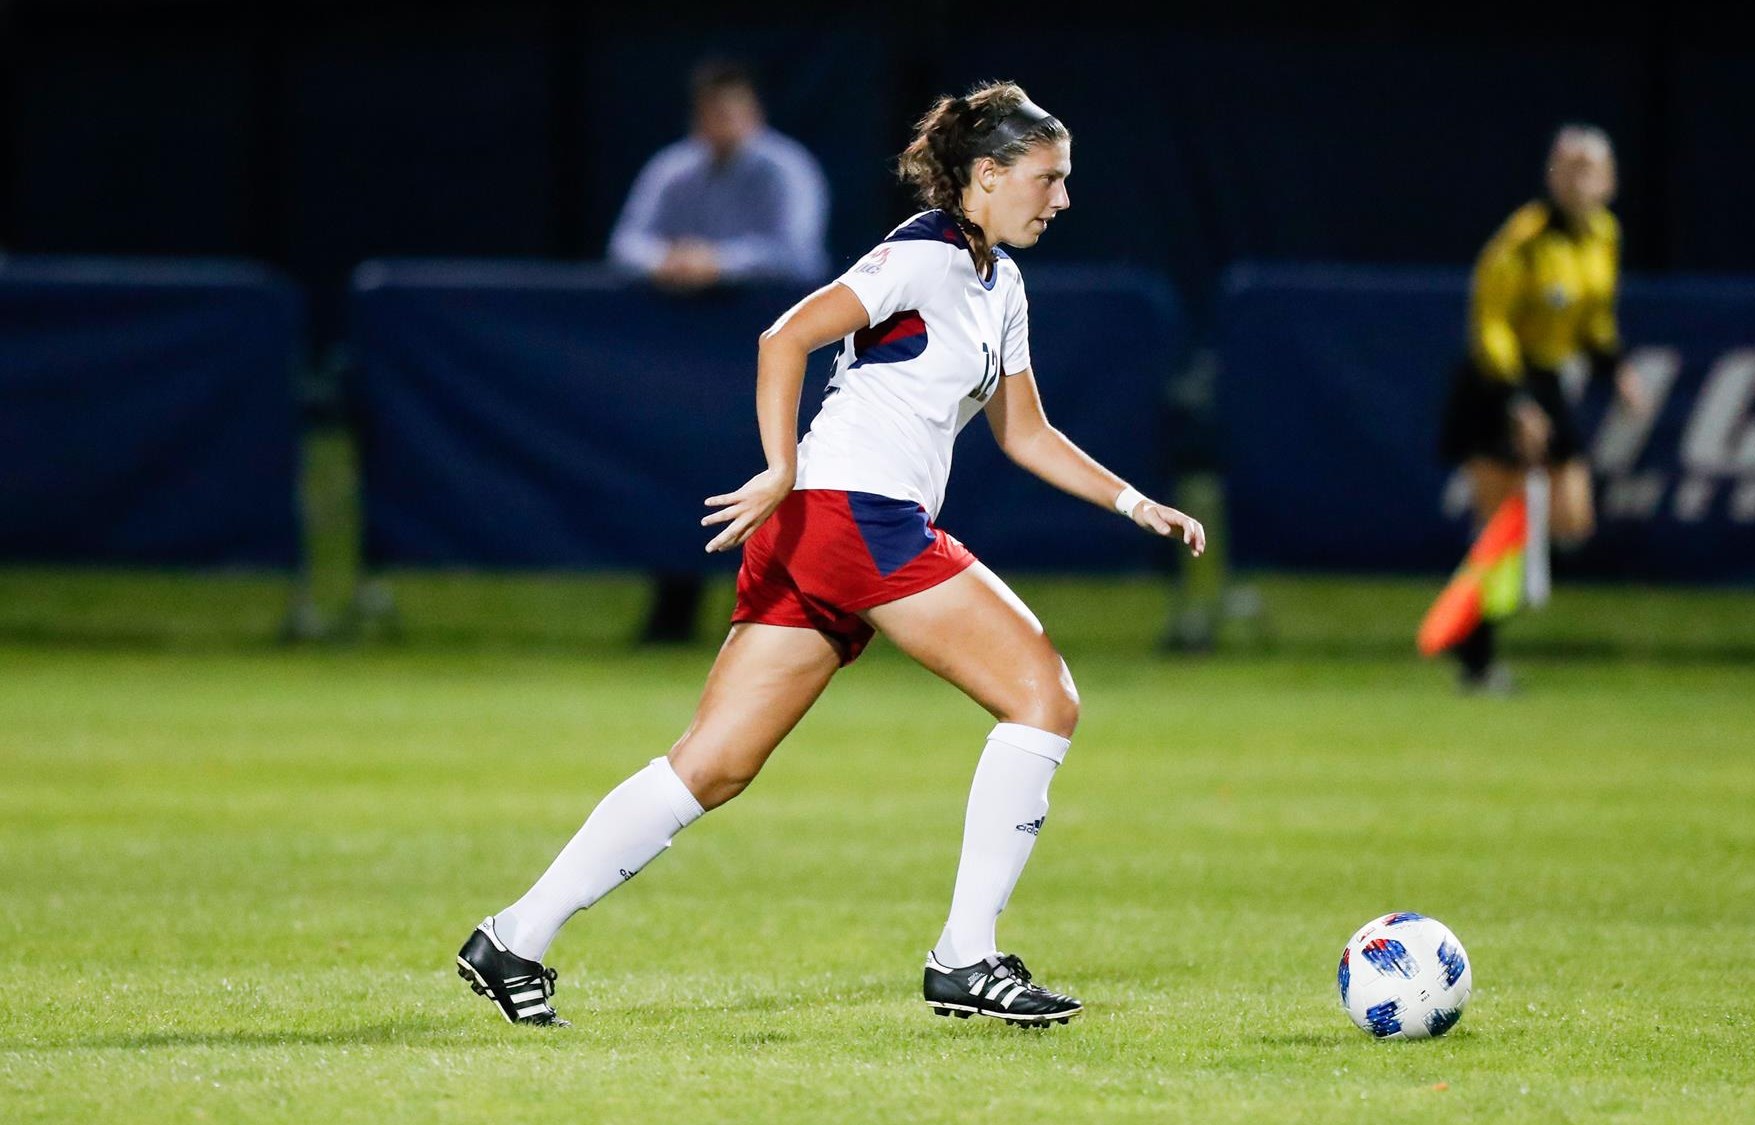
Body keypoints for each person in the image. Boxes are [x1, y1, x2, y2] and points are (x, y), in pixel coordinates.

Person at [458, 81, 1205, 1029]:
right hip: (856, 513)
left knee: (713, 766)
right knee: (1044, 696)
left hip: (826, 526)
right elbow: (785, 336)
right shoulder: (922, 253)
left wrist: (1135, 501)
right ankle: (965, 958)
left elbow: (1025, 432)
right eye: (1046, 178)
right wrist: (779, 466)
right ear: (985, 175)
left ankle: (514, 937)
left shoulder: (999, 283)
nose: (1060, 198)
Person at [608, 57, 832, 644]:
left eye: (733, 112)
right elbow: (626, 243)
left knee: (786, 477)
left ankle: (797, 615)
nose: (723, 124)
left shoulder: (787, 170)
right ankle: (673, 613)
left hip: (772, 368)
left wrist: (719, 262)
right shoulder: (673, 170)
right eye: (712, 113)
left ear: (753, 112)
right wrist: (667, 262)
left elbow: (800, 254)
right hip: (683, 367)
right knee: (679, 478)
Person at [1436, 124, 1647, 693]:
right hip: (1495, 384)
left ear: (1609, 180)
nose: (1577, 178)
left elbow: (1594, 319)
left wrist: (1616, 368)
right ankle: (1475, 658)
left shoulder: (1604, 235)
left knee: (1569, 518)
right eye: (1566, 166)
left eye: (1588, 167)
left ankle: (1475, 626)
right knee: (1500, 521)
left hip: (1548, 380)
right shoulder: (1523, 239)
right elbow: (1490, 323)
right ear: (1552, 176)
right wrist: (1516, 401)